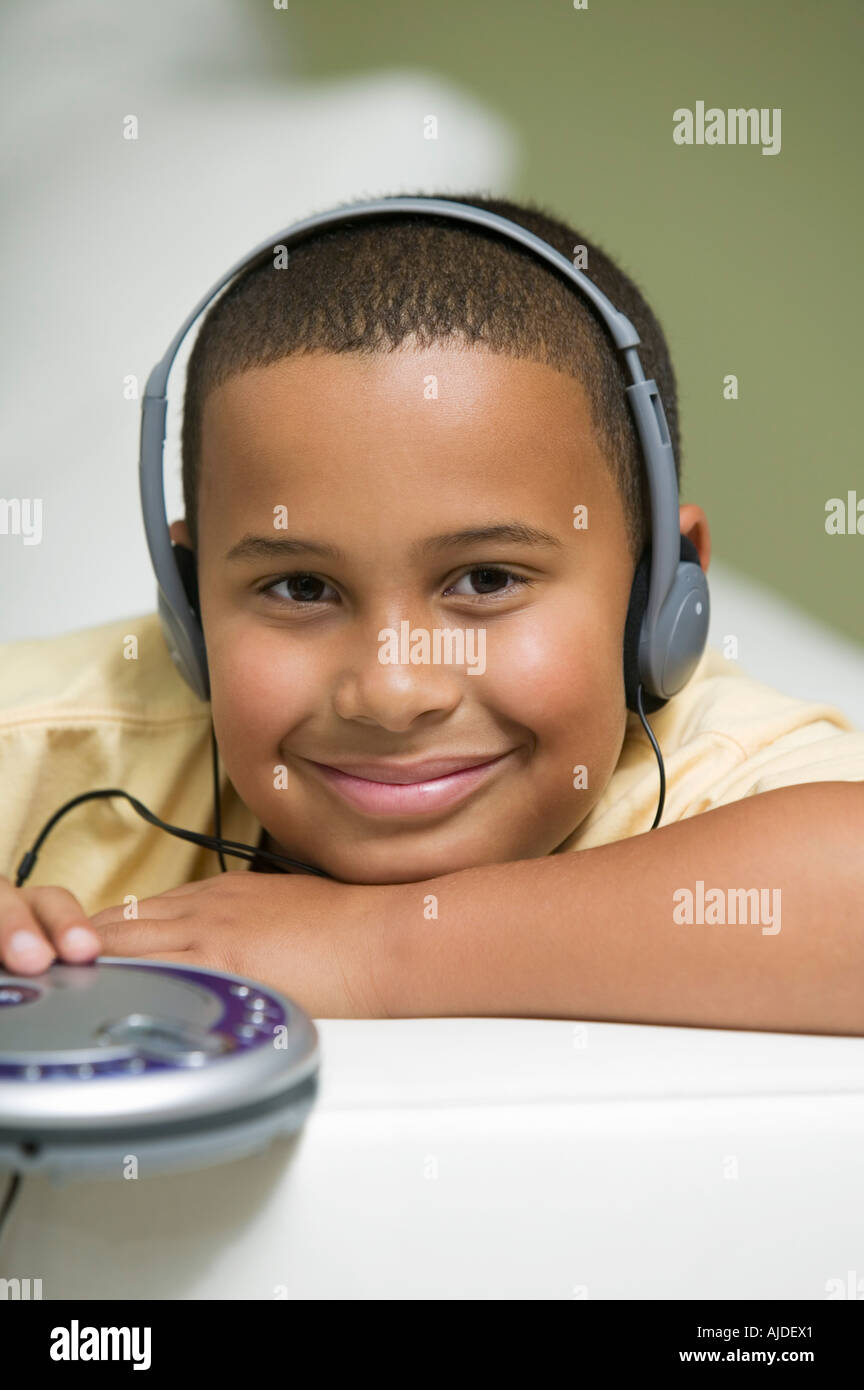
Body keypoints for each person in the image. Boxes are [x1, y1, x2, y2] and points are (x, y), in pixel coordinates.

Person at [1, 192, 863, 1031]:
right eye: (301, 588)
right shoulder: (62, 736)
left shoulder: (715, 766)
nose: (392, 689)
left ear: (662, 594)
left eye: (487, 580)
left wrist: (373, 949)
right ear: (188, 609)